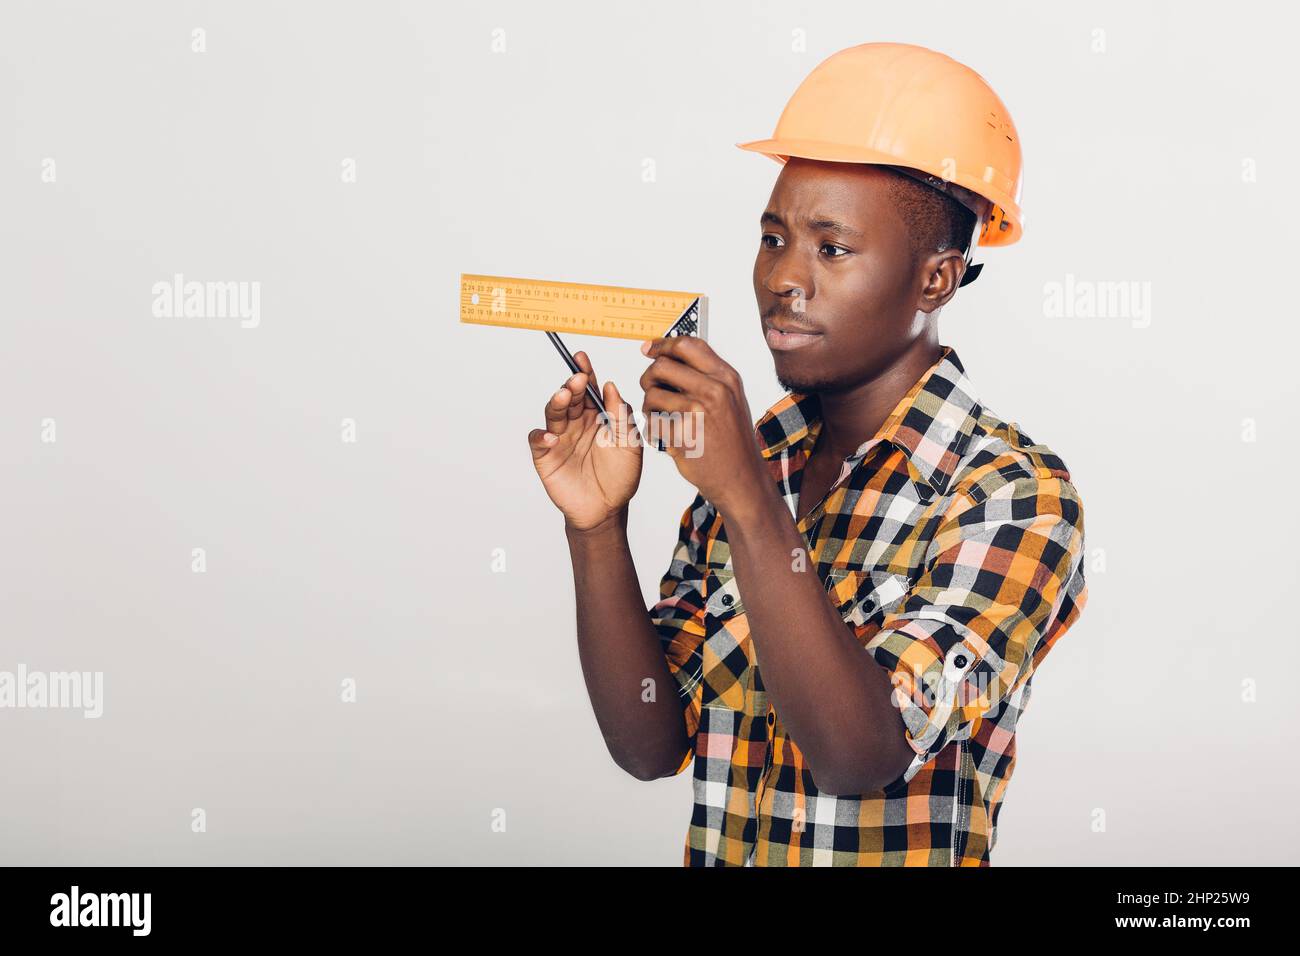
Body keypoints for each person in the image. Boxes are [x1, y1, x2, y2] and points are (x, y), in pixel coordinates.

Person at [526, 42, 1087, 866]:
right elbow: (649, 742)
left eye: (832, 248)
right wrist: (597, 527)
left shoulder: (1012, 494)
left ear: (935, 281)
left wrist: (751, 503)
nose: (783, 279)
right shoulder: (758, 454)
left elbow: (859, 756)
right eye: (773, 237)